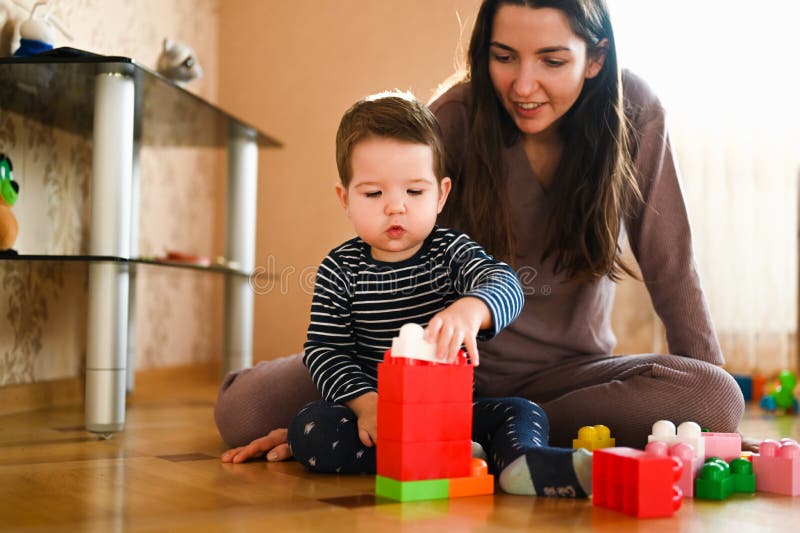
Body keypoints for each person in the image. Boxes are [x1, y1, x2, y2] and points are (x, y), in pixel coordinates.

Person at [217, 0, 745, 465]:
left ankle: (485, 430)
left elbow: (670, 262)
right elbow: (401, 257)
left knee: (714, 398)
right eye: (504, 56)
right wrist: (375, 403)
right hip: (433, 367)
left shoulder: (635, 111)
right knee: (243, 411)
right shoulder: (455, 117)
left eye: (553, 61)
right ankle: (477, 432)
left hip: (565, 375)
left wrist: (715, 428)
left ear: (596, 58)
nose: (523, 84)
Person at [287, 92, 592, 497]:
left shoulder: (451, 252)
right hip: (379, 422)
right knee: (309, 429)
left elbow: (506, 283)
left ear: (441, 195)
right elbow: (326, 352)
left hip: (451, 418)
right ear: (345, 198)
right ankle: (443, 463)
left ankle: (523, 465)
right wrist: (367, 405)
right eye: (373, 194)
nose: (395, 208)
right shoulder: (340, 269)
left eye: (414, 192)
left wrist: (472, 307)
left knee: (521, 412)